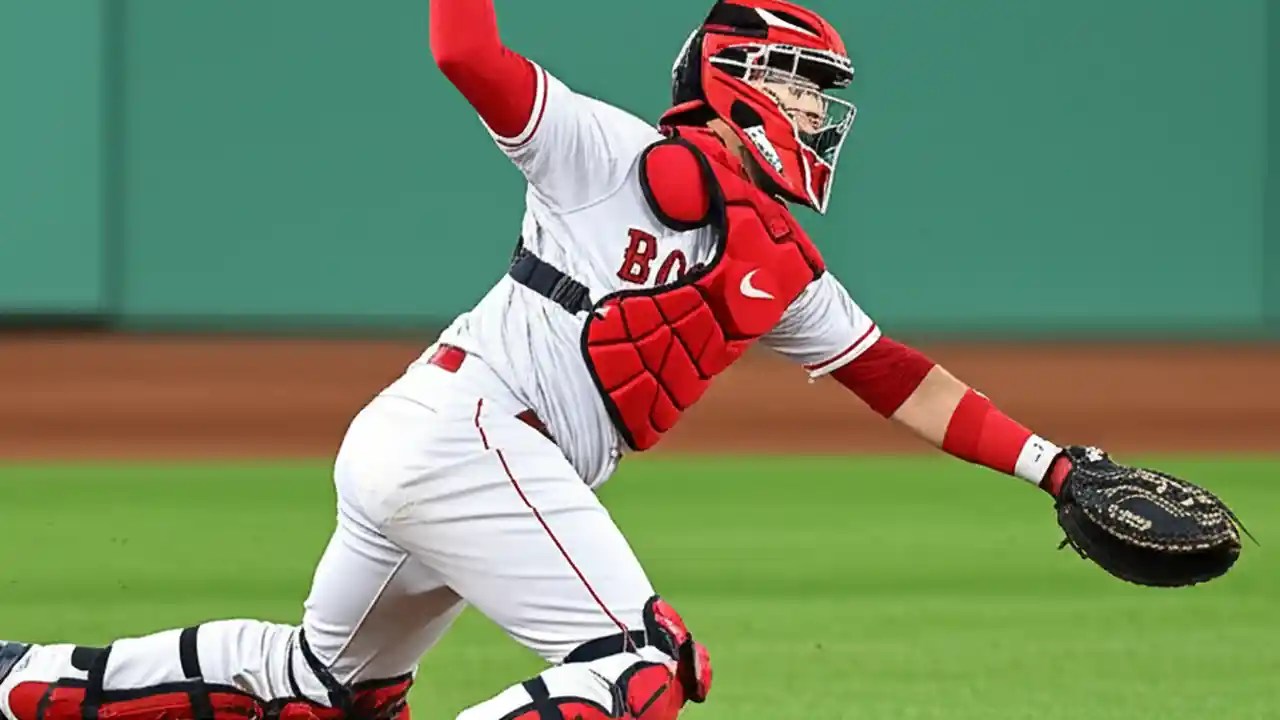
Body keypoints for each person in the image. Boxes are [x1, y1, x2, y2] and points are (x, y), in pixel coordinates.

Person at [0, 2, 1085, 719]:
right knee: (643, 670)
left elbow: (893, 375)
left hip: (429, 443)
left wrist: (1057, 469)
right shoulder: (607, 152)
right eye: (800, 83)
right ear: (733, 75)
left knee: (320, 690)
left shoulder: (783, 265)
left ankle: (19, 681)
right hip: (466, 433)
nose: (817, 110)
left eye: (820, 91)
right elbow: (464, 53)